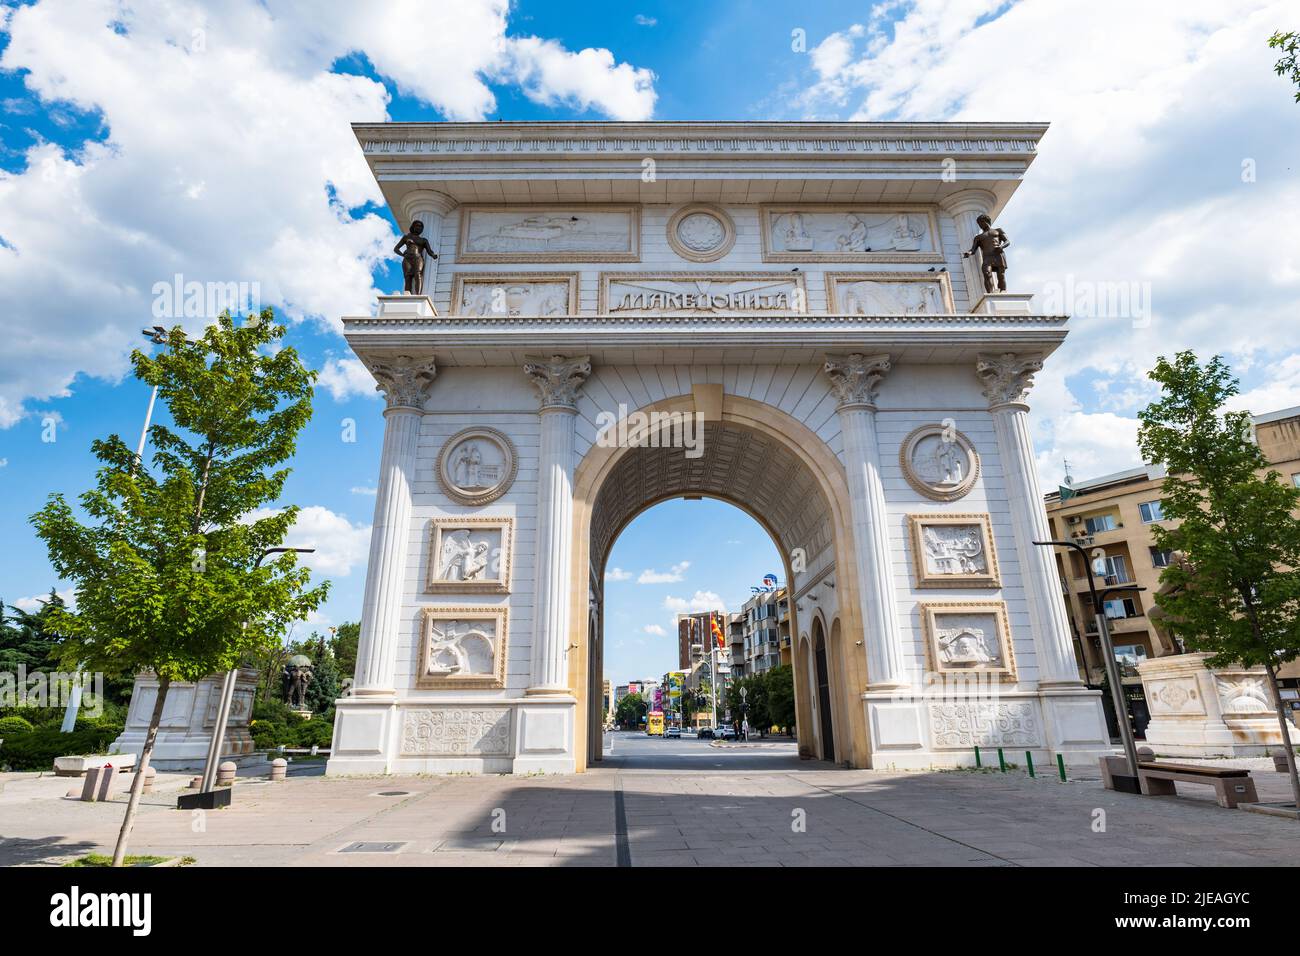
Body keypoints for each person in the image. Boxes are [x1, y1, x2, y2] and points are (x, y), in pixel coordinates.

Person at [962, 214, 1010, 293]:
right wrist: (968, 253)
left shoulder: (998, 231)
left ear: (986, 221)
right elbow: (973, 249)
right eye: (979, 224)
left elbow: (1007, 241)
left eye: (981, 222)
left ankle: (1003, 290)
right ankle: (990, 293)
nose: (980, 225)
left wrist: (1001, 246)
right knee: (987, 273)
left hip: (998, 254)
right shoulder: (978, 237)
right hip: (987, 257)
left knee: (1001, 274)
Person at [393, 219, 437, 295]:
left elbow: (429, 251)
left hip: (418, 258)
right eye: (417, 225)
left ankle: (418, 295)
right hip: (407, 259)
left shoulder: (423, 240)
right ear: (413, 226)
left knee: (418, 274)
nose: (418, 228)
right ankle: (407, 294)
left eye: (420, 227)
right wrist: (402, 254)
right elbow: (396, 249)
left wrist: (433, 255)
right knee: (407, 277)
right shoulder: (406, 237)